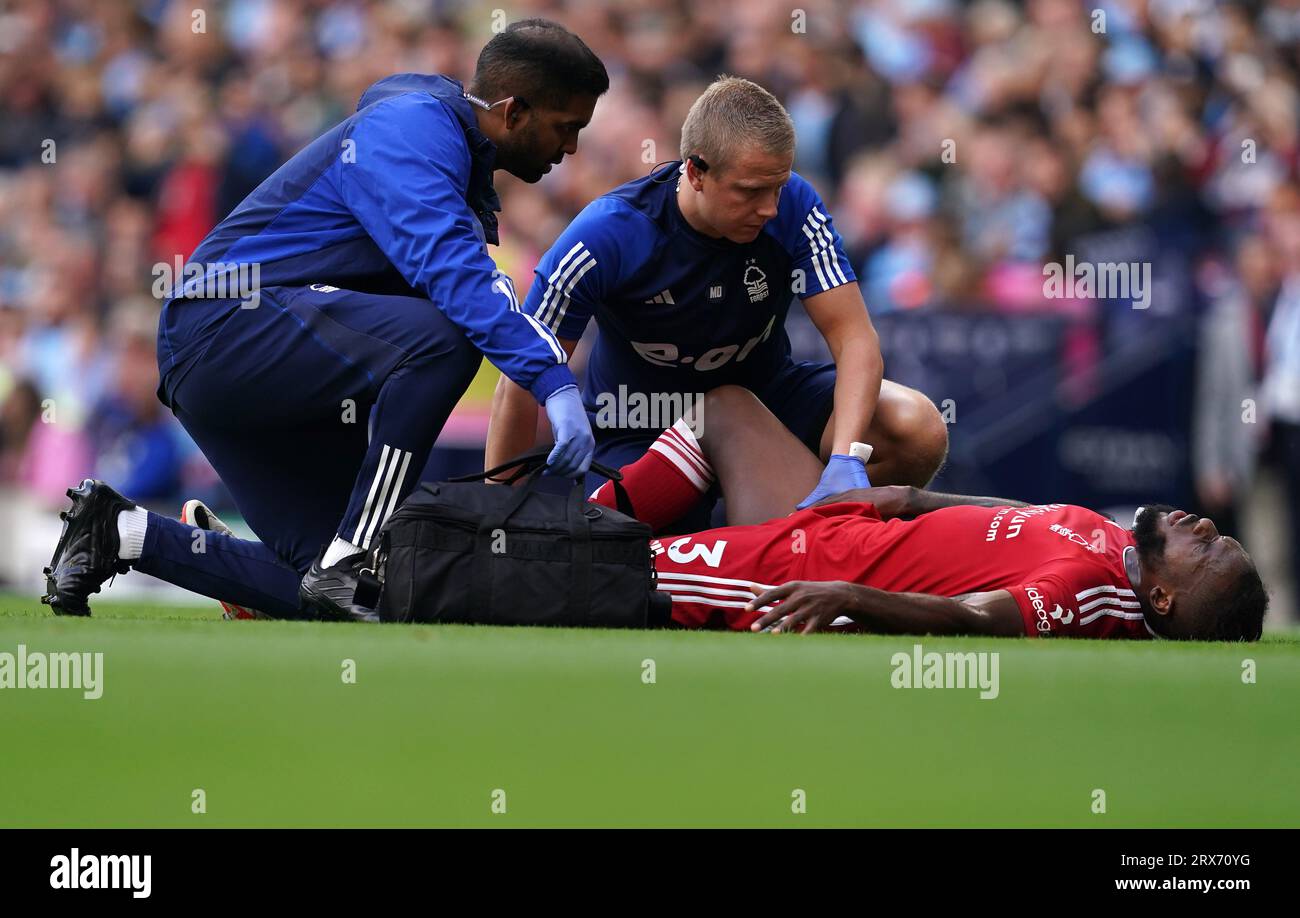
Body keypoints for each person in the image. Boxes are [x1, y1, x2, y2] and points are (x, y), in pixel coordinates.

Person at [42, 20, 607, 620]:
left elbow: (464, 280)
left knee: (360, 600)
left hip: (247, 361)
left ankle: (122, 532)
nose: (570, 148)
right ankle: (353, 552)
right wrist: (552, 379)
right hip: (225, 327)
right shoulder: (410, 130)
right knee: (443, 342)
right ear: (515, 111)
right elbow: (455, 279)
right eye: (566, 127)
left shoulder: (448, 158)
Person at [485, 76, 949, 527]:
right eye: (750, 192)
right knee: (630, 565)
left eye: (778, 186)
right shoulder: (607, 236)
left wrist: (846, 456)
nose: (769, 208)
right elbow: (522, 377)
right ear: (696, 172)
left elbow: (853, 337)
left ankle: (814, 526)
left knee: (916, 429)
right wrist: (493, 522)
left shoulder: (795, 207)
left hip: (767, 404)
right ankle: (746, 529)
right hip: (642, 421)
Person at [586, 386, 1268, 640]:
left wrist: (850, 597)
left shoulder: (1088, 597)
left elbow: (978, 618)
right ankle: (581, 516)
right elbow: (1025, 516)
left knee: (597, 568)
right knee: (727, 410)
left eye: (1209, 552)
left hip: (826, 565)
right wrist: (911, 498)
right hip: (851, 527)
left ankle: (556, 533)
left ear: (1162, 598)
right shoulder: (1121, 543)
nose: (1207, 526)